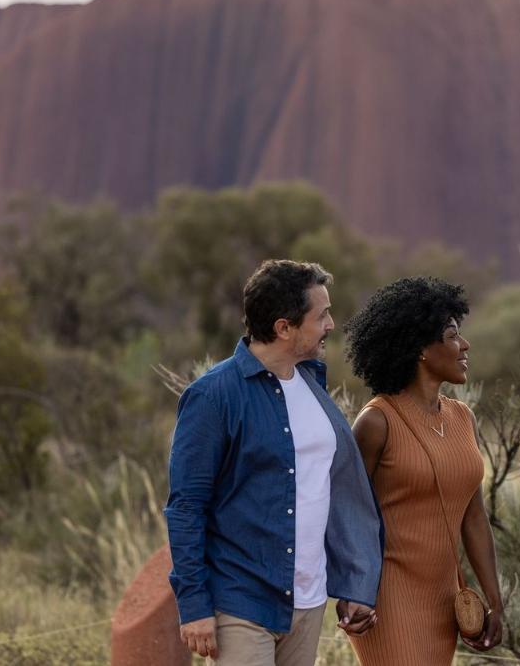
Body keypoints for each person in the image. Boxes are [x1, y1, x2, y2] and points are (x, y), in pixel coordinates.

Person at [164, 259, 384, 665]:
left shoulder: (313, 387)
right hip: (242, 601)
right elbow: (186, 507)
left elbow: (339, 490)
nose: (331, 325)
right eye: (322, 316)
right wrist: (193, 605)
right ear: (284, 328)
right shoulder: (213, 397)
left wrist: (355, 580)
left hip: (309, 600)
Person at [344, 277, 505, 665]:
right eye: (452, 336)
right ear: (420, 349)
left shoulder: (462, 416)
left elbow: (474, 517)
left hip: (444, 597)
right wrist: (352, 592)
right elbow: (347, 513)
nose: (464, 346)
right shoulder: (377, 421)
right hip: (387, 598)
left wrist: (495, 603)